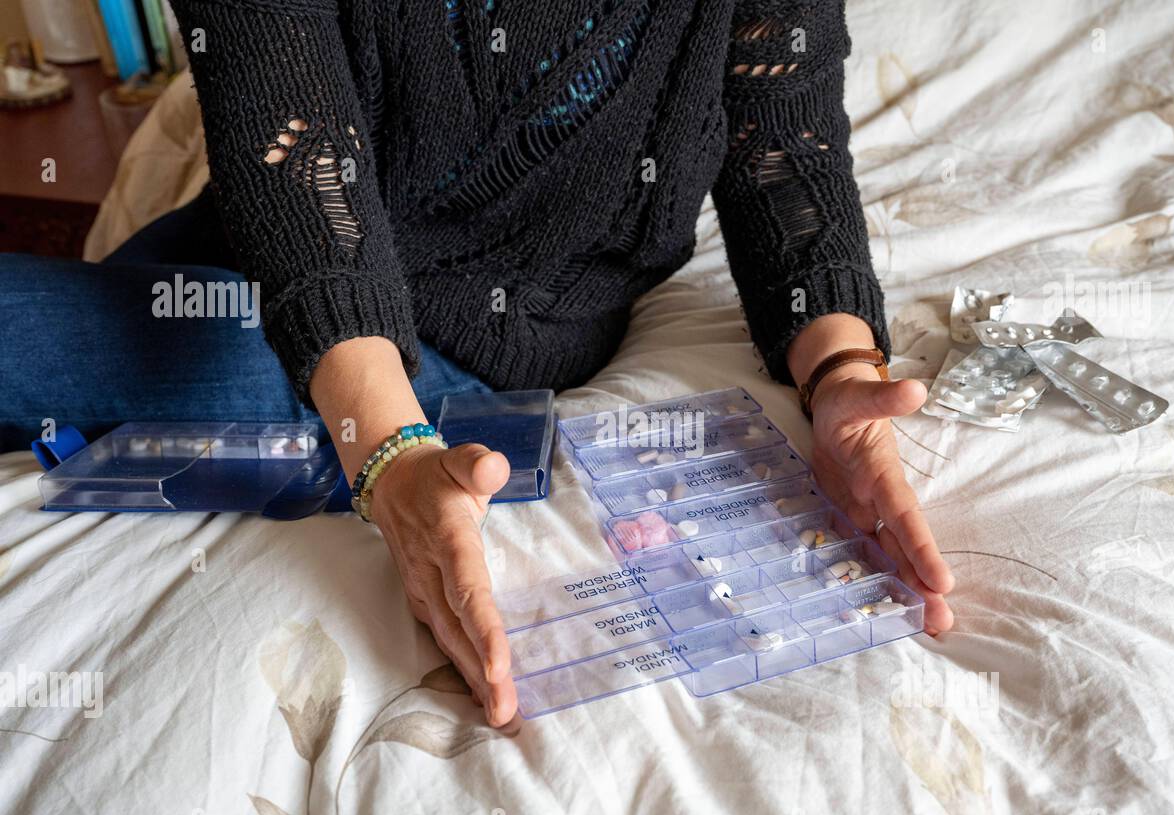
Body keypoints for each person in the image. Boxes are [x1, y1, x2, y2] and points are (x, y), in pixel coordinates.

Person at [0, 0, 953, 725]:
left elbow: (780, 142)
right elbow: (291, 150)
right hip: (259, 259)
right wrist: (385, 455)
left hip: (455, 349)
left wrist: (838, 371)